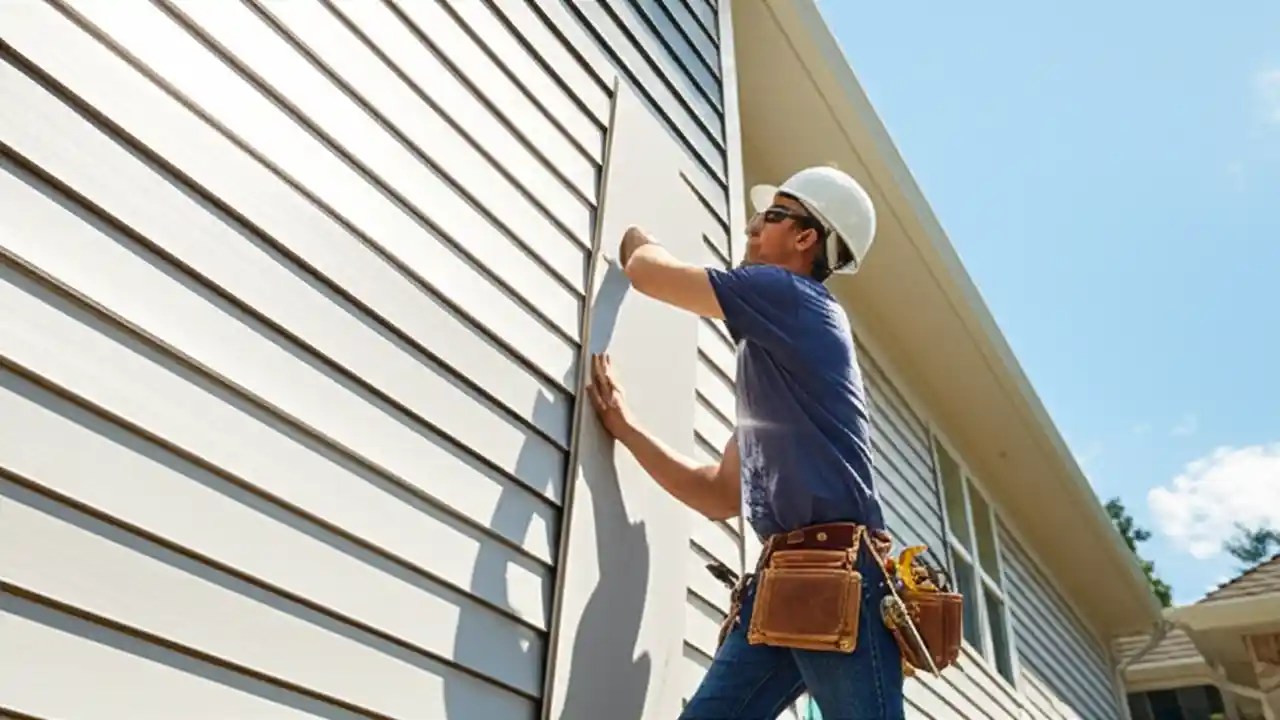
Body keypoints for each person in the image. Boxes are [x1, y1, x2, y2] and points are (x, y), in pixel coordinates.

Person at [586, 166, 906, 719]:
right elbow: (718, 493)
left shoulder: (789, 295)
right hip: (787, 583)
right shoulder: (777, 369)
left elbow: (646, 270)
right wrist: (626, 427)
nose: (753, 226)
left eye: (773, 215)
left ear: (806, 238)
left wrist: (632, 225)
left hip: (835, 577)